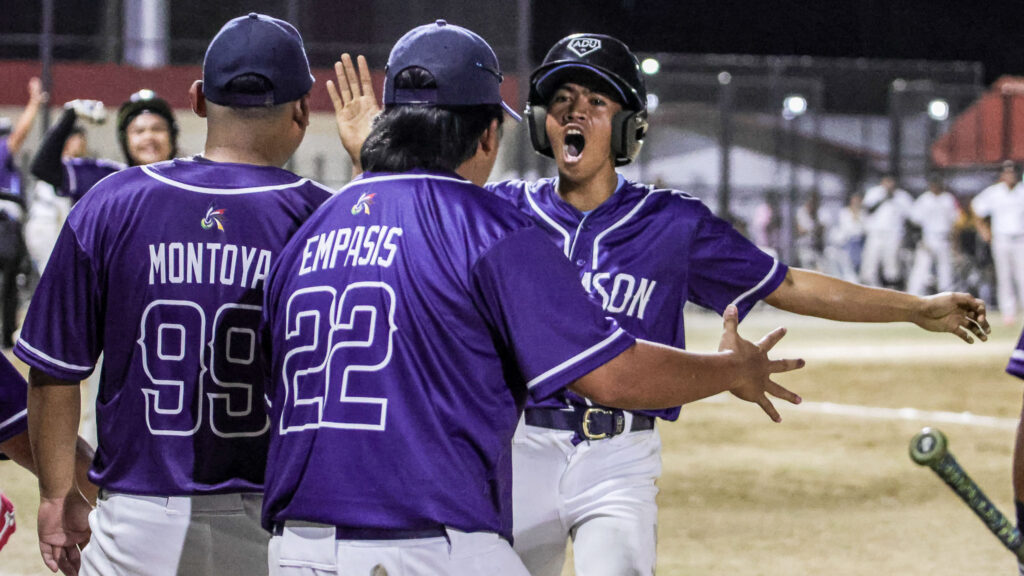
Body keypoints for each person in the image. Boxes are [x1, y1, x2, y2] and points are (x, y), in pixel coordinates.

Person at [333, 33, 990, 576]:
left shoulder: (672, 224)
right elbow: (412, 214)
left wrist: (914, 308)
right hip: (516, 447)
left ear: (629, 126)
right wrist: (371, 154)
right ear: (539, 123)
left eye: (596, 101)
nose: (576, 114)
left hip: (619, 456)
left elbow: (789, 283)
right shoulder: (502, 210)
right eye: (562, 101)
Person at [265, 21, 804, 576]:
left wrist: (365, 169)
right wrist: (731, 368)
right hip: (425, 538)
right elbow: (615, 378)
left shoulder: (311, 229)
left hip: (298, 546)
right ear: (488, 136)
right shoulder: (491, 228)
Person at [16, 13, 332, 576]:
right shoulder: (324, 218)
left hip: (140, 522)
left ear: (198, 100)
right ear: (304, 109)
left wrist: (54, 493)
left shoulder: (112, 201)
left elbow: (56, 371)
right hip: (283, 522)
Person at [30, 87, 179, 203]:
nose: (149, 137)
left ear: (172, 136)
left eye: (158, 129)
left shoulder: (190, 182)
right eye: (139, 131)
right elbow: (44, 168)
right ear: (124, 140)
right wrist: (70, 114)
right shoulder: (106, 179)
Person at [0, 78, 46, 349]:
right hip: (4, 223)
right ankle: (6, 337)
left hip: (9, 223)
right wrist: (34, 102)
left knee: (11, 283)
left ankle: (6, 336)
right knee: (9, 282)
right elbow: (20, 136)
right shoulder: (2, 151)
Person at [972, 160, 1024, 326]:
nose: (1011, 175)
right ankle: (1008, 313)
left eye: (1013, 172)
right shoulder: (994, 192)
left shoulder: (1022, 191)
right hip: (1001, 239)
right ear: (1002, 174)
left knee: (1022, 276)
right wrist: (983, 231)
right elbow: (976, 208)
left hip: (1021, 238)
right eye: (1007, 172)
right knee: (1004, 276)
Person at [906, 175, 958, 295]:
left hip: (944, 238)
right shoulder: (924, 199)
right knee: (921, 269)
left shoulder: (948, 199)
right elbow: (913, 221)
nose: (935, 186)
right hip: (928, 238)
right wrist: (919, 239)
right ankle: (913, 295)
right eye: (933, 184)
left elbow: (954, 221)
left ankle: (946, 296)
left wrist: (954, 242)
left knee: (945, 270)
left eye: (937, 184)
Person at [860, 173, 914, 288]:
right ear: (882, 182)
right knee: (870, 263)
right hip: (875, 234)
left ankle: (891, 289)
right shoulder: (874, 193)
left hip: (893, 235)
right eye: (887, 181)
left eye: (891, 181)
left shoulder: (902, 196)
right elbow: (868, 210)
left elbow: (911, 217)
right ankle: (870, 289)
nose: (889, 184)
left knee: (891, 265)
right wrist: (884, 198)